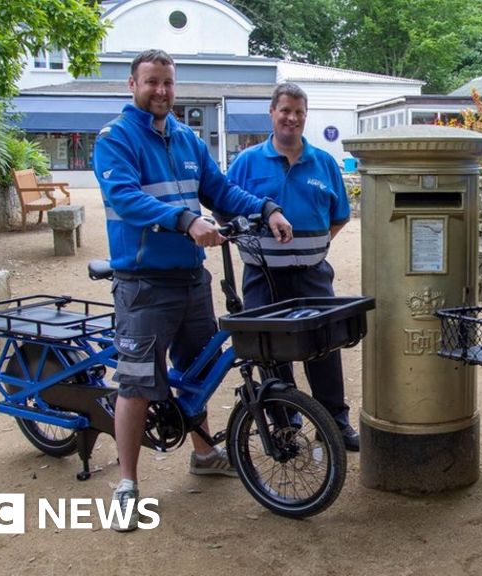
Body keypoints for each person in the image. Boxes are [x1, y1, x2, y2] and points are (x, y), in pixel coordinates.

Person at [93, 49, 293, 532]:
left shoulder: (185, 138)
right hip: (143, 282)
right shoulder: (115, 139)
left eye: (167, 83)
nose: (161, 91)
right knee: (139, 380)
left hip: (189, 278)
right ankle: (126, 484)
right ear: (132, 85)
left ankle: (204, 454)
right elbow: (126, 198)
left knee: (195, 370)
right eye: (152, 82)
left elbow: (220, 190)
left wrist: (267, 209)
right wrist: (185, 220)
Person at [226, 82, 359, 452]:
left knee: (324, 347)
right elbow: (225, 208)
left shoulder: (324, 163)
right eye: (285, 110)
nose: (292, 118)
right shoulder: (246, 162)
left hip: (312, 275)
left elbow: (339, 216)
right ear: (272, 112)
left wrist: (311, 249)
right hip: (262, 277)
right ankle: (284, 425)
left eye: (299, 112)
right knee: (270, 351)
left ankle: (335, 422)